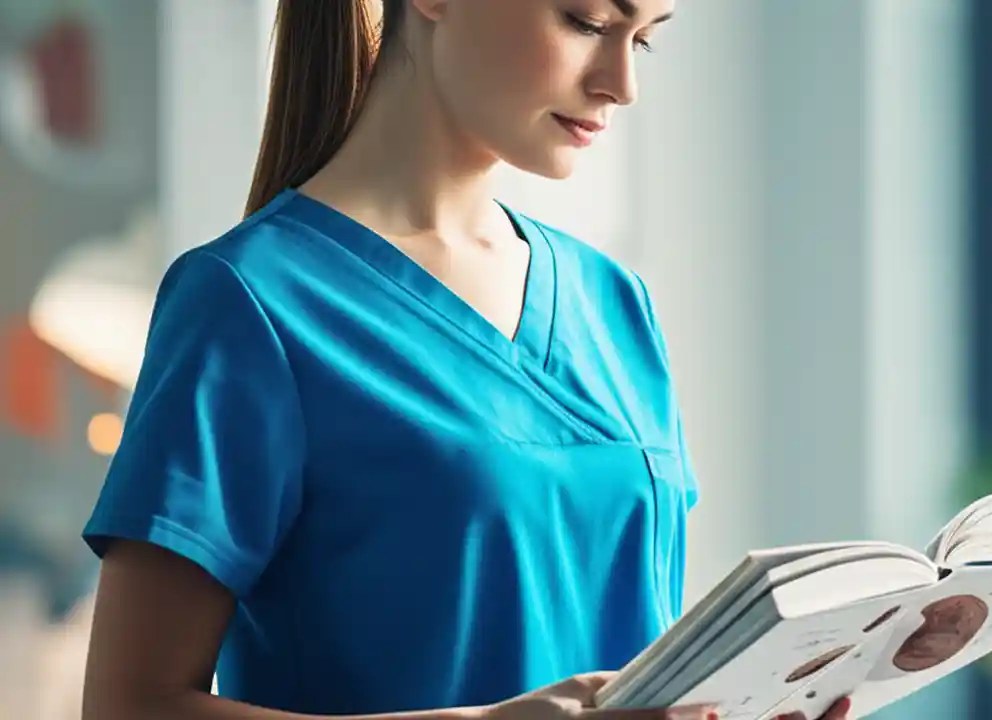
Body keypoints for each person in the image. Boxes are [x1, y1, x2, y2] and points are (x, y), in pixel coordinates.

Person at [78, 2, 859, 720]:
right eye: (587, 22)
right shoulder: (250, 303)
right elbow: (129, 708)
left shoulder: (615, 303)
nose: (622, 84)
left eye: (645, 38)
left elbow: (625, 657)